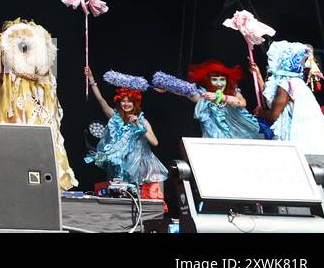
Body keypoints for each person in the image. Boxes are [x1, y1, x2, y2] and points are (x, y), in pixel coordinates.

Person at [85, 67, 169, 197]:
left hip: (139, 168)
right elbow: (101, 100)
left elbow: (155, 142)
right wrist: (91, 79)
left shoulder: (142, 121)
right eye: (123, 101)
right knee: (119, 195)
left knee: (138, 198)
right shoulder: (114, 117)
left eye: (129, 101)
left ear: (135, 103)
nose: (126, 104)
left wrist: (139, 125)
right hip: (120, 167)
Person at [251, 41, 324, 154]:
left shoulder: (285, 85)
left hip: (292, 134)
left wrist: (261, 113)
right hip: (310, 136)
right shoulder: (299, 84)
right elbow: (270, 101)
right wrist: (258, 75)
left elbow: (273, 115)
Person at [184, 60, 263, 140]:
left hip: (244, 136)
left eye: (222, 79)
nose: (219, 83)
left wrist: (220, 97)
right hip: (219, 139)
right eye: (214, 80)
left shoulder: (233, 92)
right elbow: (185, 90)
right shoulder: (204, 94)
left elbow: (242, 103)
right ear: (207, 80)